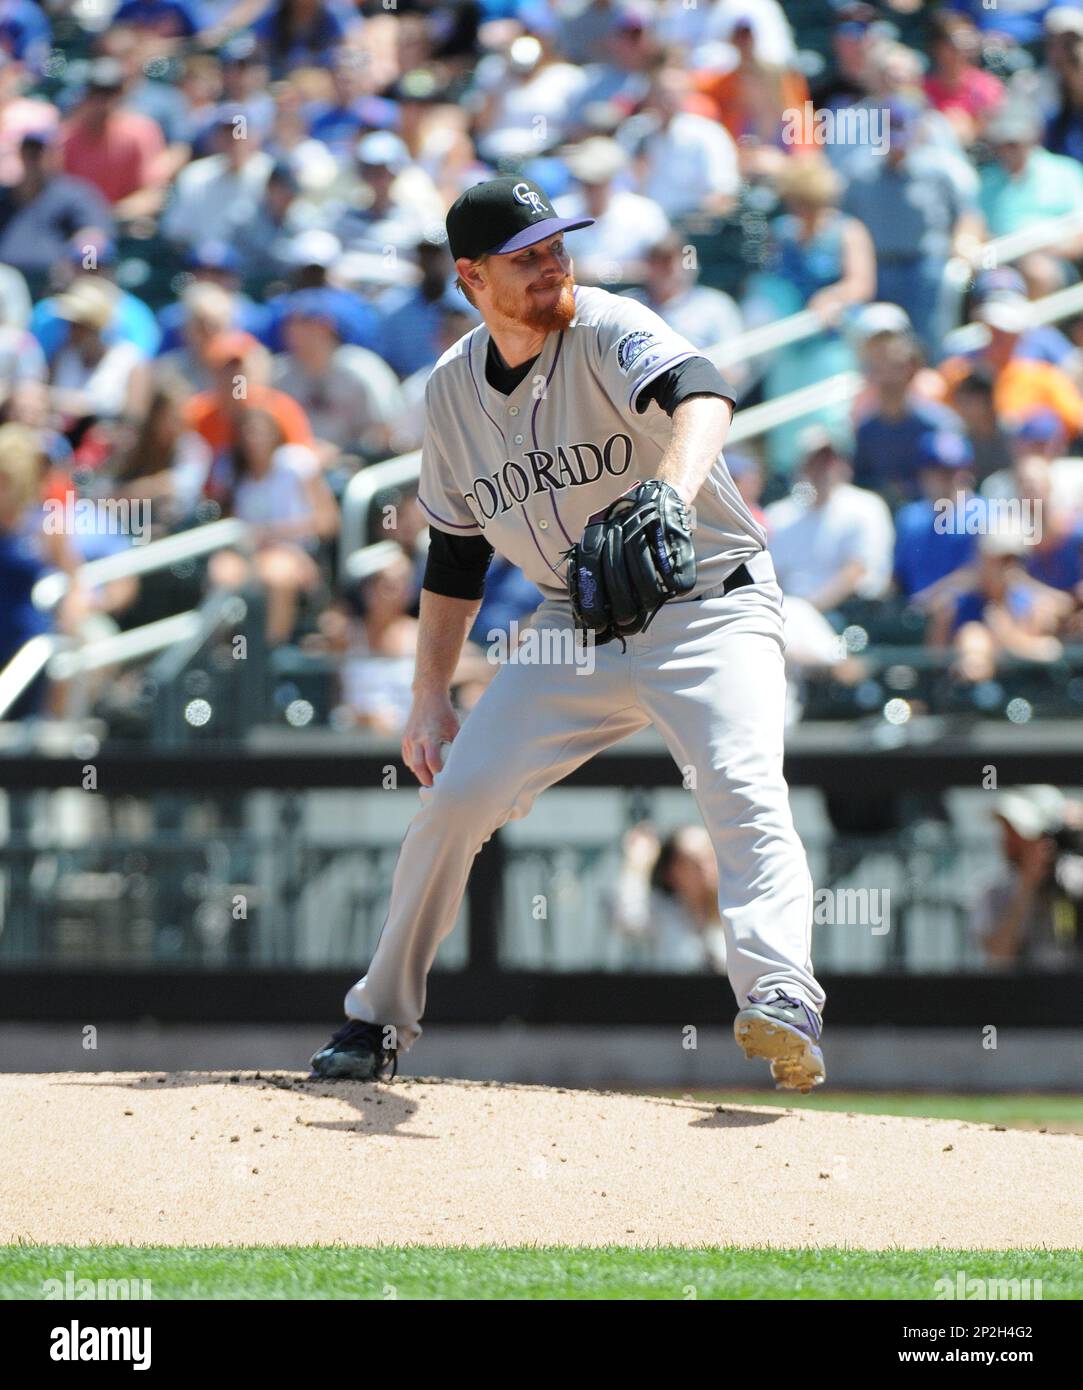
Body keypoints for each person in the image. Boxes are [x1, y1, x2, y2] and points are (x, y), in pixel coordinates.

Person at [309, 174, 826, 1092]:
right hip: (574, 621)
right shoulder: (450, 391)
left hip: (709, 599)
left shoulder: (606, 324)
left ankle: (782, 997)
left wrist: (667, 488)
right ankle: (375, 1021)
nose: (553, 268)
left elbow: (702, 391)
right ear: (471, 278)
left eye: (558, 248)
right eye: (528, 258)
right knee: (458, 798)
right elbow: (456, 555)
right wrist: (429, 695)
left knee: (742, 787)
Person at [972, 786, 1083, 968]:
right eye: (1006, 830)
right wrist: (1027, 885)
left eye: (1017, 832)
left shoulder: (1076, 879)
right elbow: (998, 959)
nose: (1007, 840)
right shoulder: (994, 892)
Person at [607, 821, 728, 972]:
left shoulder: (736, 909)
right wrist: (637, 865)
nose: (703, 867)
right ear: (670, 872)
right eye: (691, 861)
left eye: (709, 856)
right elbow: (627, 919)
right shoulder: (662, 913)